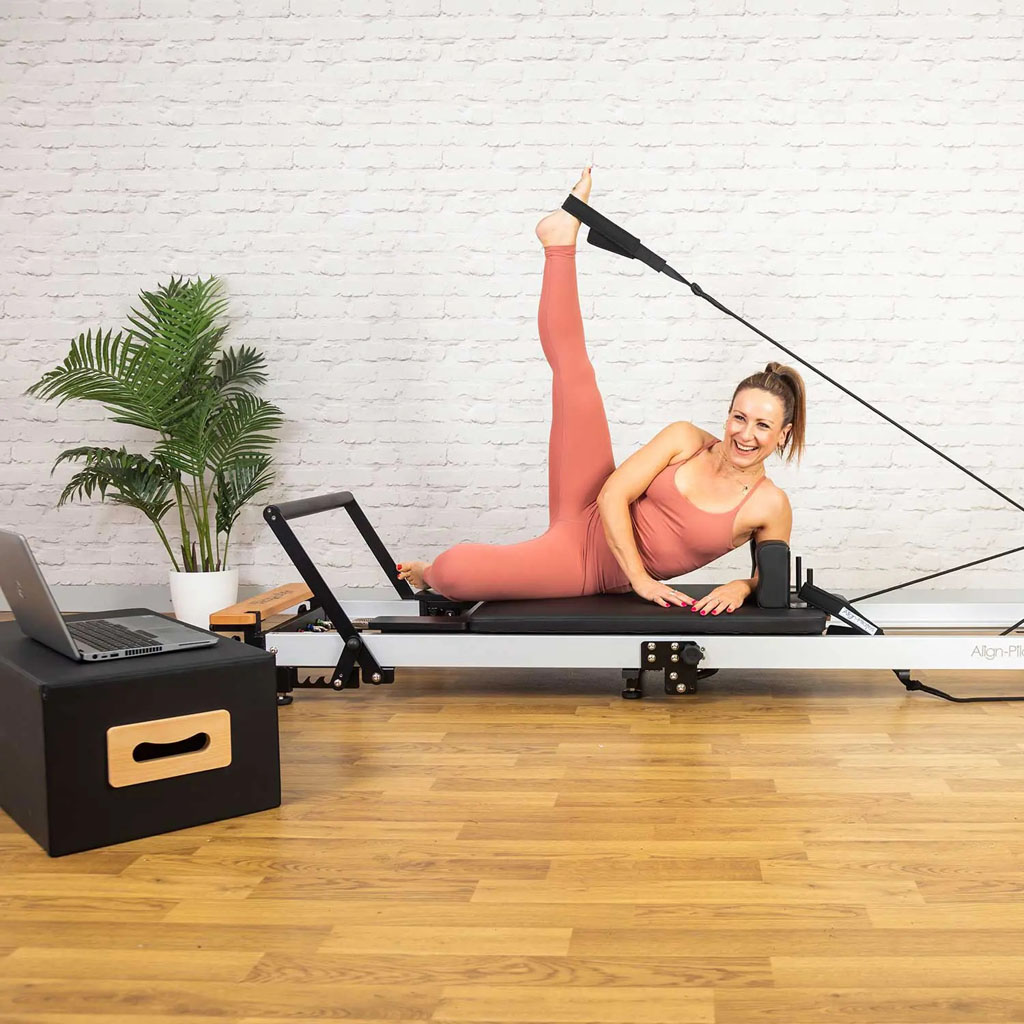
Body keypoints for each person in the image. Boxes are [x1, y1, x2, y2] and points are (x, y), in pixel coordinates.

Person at [398, 168, 806, 615]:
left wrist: (741, 586)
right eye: (739, 417)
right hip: (590, 502)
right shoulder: (687, 440)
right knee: (576, 377)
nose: (745, 434)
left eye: (763, 425)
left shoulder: (770, 504)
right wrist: (642, 582)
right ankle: (559, 243)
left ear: (783, 434)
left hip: (586, 565)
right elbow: (612, 495)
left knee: (453, 572)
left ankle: (427, 572)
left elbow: (769, 580)